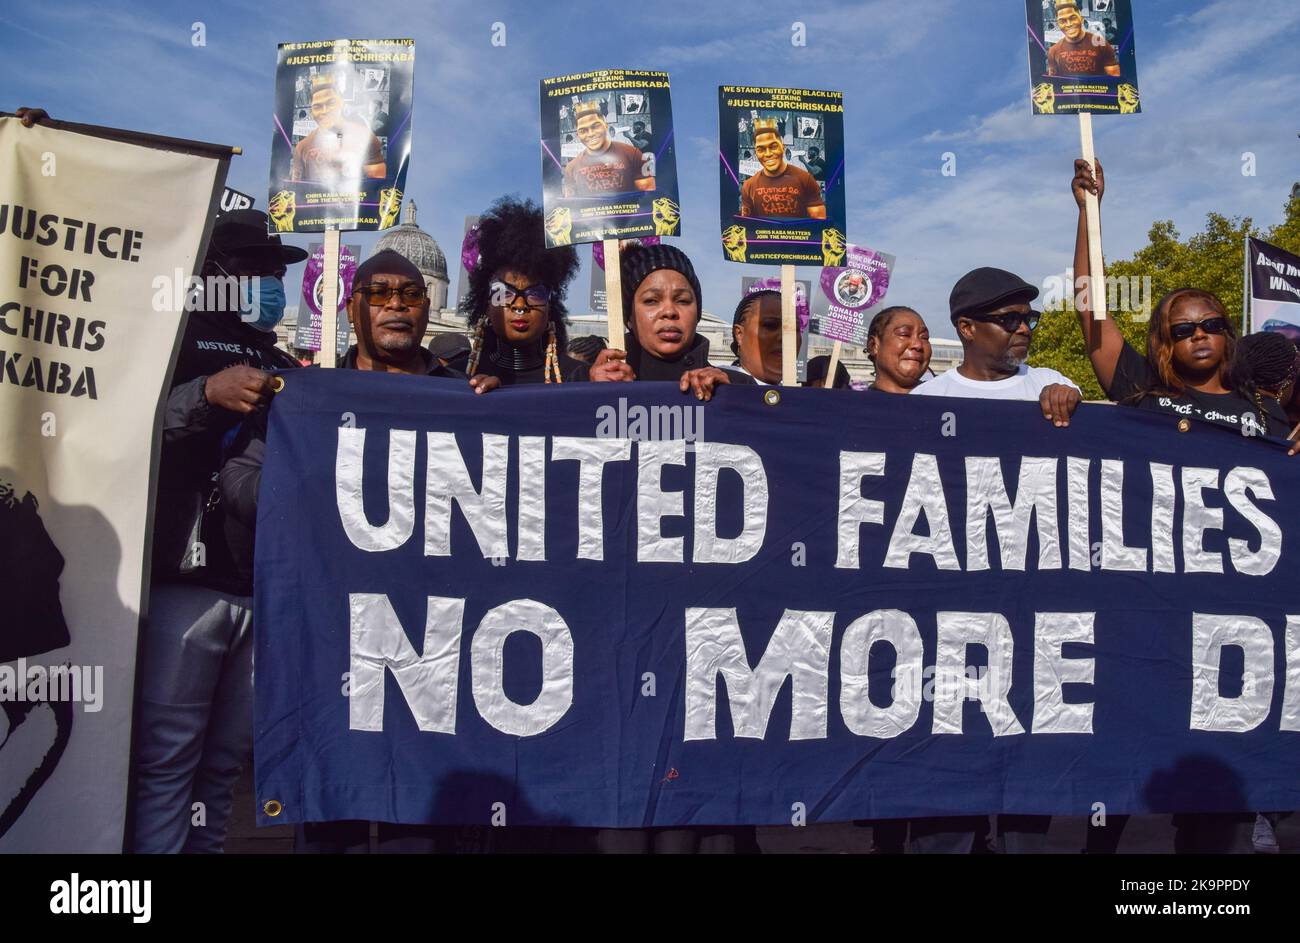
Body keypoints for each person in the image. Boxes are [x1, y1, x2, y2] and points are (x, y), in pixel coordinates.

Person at [219, 250, 467, 853]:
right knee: (333, 791)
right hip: (336, 630)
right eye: (379, 293)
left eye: (410, 294)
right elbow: (241, 482)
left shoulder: (465, 397)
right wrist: (314, 489)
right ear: (353, 305)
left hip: (435, 632)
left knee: (429, 799)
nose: (395, 306)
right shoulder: (304, 396)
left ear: (429, 306)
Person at [132, 208, 306, 854]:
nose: (268, 282)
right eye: (254, 269)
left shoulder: (281, 358)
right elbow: (128, 431)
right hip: (184, 582)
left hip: (259, 590)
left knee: (224, 767)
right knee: (165, 764)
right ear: (213, 272)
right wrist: (205, 393)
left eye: (275, 271)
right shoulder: (167, 341)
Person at [1070, 159, 1299, 447]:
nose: (1199, 334)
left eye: (1211, 325)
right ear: (1164, 342)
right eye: (1183, 330)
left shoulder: (1266, 414)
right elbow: (1091, 309)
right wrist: (1088, 209)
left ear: (1227, 334)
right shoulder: (1141, 387)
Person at [911, 267, 1082, 430]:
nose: (1024, 329)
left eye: (1029, 318)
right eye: (1010, 319)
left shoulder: (1051, 383)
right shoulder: (925, 399)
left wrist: (1071, 402)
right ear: (967, 328)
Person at [587, 243, 745, 401]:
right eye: (651, 301)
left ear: (697, 313)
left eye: (683, 301)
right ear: (629, 318)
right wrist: (589, 396)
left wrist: (732, 400)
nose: (669, 312)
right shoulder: (584, 381)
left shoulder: (738, 386)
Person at [461, 197, 587, 387]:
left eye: (535, 294)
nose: (520, 306)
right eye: (503, 293)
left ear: (549, 305)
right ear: (486, 304)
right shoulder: (454, 377)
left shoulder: (580, 379)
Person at [290, 75, 386, 188]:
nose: (324, 111)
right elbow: (295, 189)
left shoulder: (365, 137)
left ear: (342, 103)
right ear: (311, 111)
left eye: (330, 103)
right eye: (317, 107)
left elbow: (380, 182)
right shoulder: (302, 147)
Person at [562, 100, 654, 198]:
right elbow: (571, 203)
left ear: (605, 126)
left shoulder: (633, 154)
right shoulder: (570, 168)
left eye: (595, 126)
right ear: (577, 135)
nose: (590, 134)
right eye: (582, 130)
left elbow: (648, 197)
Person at [741, 118, 825, 219]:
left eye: (773, 146)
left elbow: (819, 222)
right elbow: (746, 221)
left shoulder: (806, 178)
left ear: (782, 146)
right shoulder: (748, 185)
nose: (768, 154)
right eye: (760, 149)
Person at [727, 289, 800, 385]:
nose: (784, 338)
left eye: (794, 329)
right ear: (739, 334)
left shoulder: (801, 398)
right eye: (770, 325)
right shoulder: (712, 387)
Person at [865, 306, 932, 393]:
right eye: (904, 334)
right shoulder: (852, 404)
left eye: (924, 337)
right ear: (873, 345)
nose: (918, 345)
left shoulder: (946, 401)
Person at [1046, 0, 1121, 77]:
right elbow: (1052, 82)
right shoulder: (1053, 51)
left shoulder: (1101, 43)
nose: (1069, 24)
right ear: (1058, 24)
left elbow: (1115, 78)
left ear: (1081, 18)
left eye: (1073, 18)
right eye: (1062, 21)